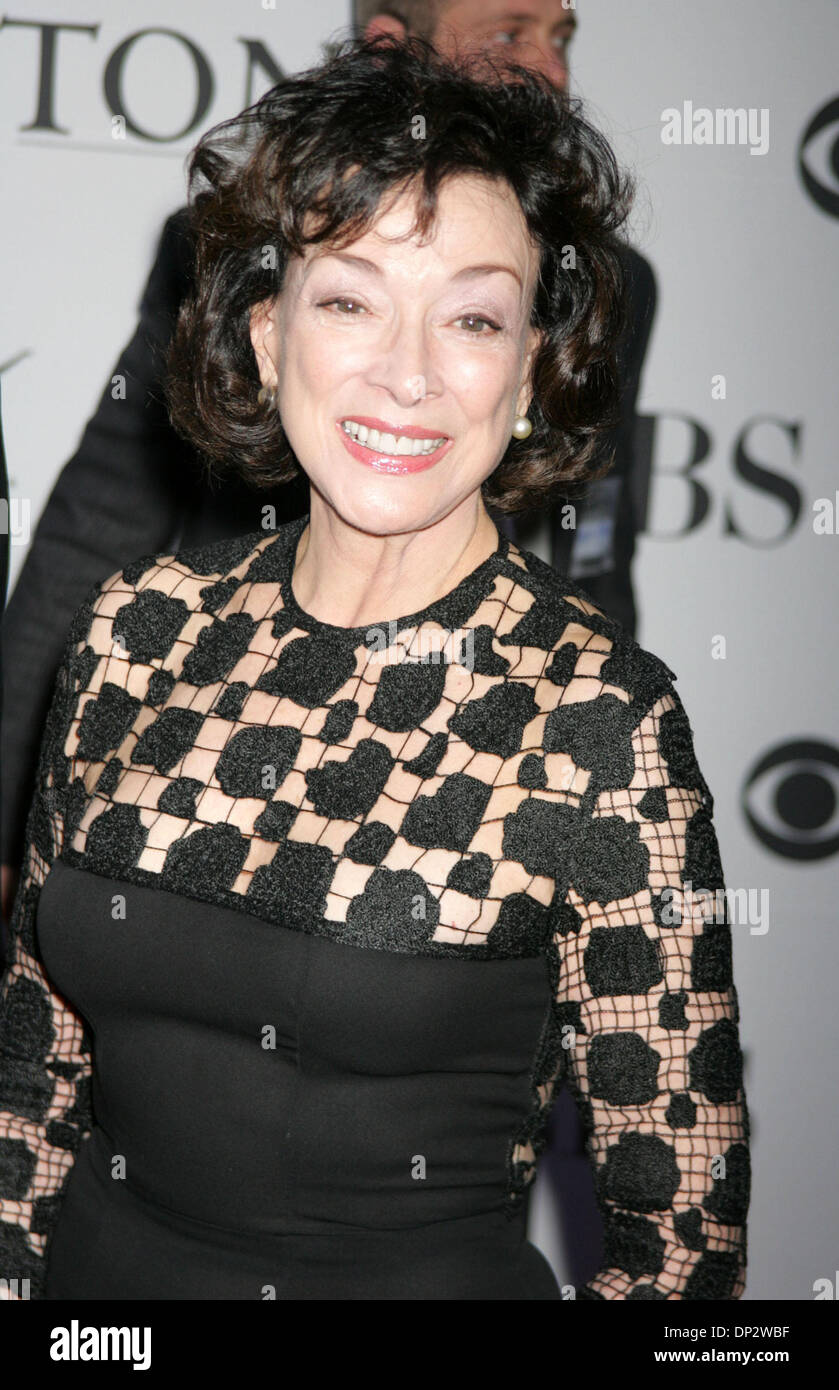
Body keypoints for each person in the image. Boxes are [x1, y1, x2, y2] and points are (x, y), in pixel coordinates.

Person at [0, 35, 749, 1301]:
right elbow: (31, 1080)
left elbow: (680, 1258)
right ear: (267, 332)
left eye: (470, 316)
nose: (407, 373)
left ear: (527, 373)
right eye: (348, 298)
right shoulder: (137, 632)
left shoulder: (592, 723)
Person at [0, 0, 656, 939]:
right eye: (511, 33)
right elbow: (99, 519)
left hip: (475, 752)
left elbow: (591, 541)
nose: (549, 68)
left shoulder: (599, 285)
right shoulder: (225, 251)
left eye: (474, 320)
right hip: (213, 738)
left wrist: (572, 746)